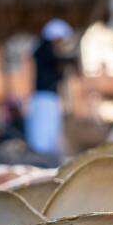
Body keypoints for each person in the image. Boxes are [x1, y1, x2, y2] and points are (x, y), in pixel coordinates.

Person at [26, 19, 77, 158]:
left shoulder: (44, 50)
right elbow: (58, 60)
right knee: (43, 131)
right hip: (44, 97)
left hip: (49, 97)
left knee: (50, 130)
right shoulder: (44, 50)